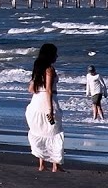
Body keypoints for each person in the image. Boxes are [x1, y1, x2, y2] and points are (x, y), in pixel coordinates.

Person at [26, 43, 65, 172]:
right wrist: (51, 110)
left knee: (40, 131)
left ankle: (42, 164)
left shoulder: (37, 69)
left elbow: (31, 89)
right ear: (50, 55)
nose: (57, 56)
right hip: (47, 102)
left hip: (35, 103)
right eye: (55, 54)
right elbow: (48, 90)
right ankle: (55, 165)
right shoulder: (49, 70)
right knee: (54, 132)